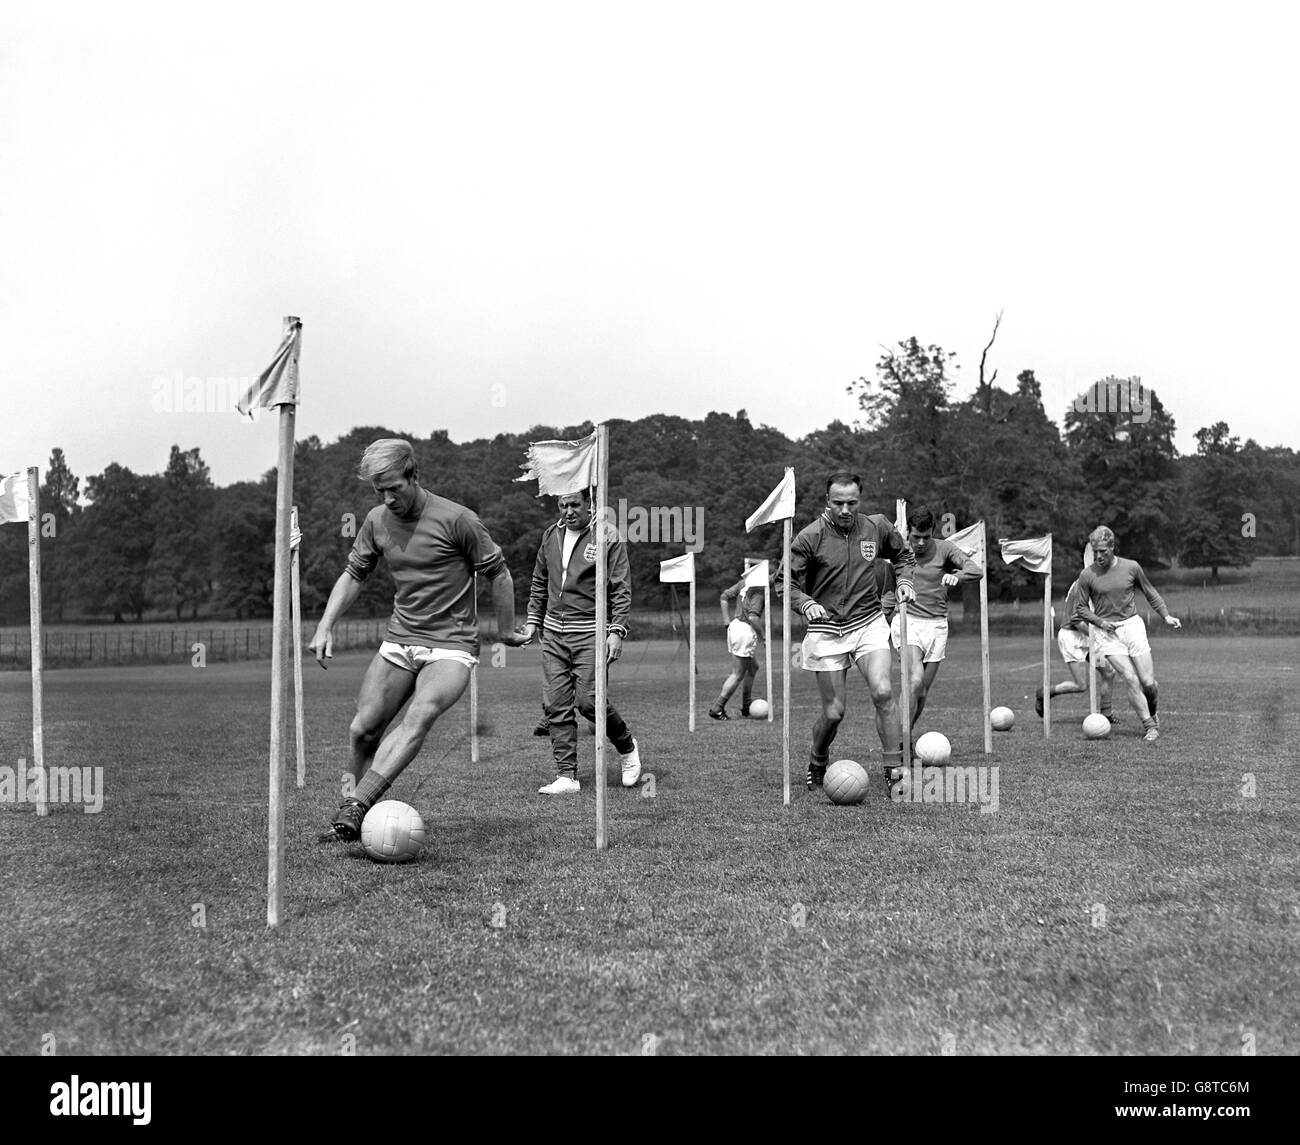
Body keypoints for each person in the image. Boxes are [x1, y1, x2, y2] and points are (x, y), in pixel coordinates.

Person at [309, 438, 525, 842]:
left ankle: (357, 806)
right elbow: (354, 574)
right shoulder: (375, 521)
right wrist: (325, 626)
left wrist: (507, 630)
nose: (388, 498)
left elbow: (500, 573)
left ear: (414, 476)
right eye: (380, 491)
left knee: (420, 715)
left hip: (452, 644)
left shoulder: (459, 519)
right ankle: (351, 813)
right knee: (363, 730)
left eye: (395, 488)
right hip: (400, 640)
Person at [782, 471, 917, 790]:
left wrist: (905, 580)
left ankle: (894, 771)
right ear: (827, 501)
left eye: (851, 503)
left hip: (868, 622)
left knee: (883, 691)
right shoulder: (809, 536)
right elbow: (784, 583)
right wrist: (804, 602)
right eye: (838, 503)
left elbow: (902, 556)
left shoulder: (876, 526)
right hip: (826, 630)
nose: (845, 509)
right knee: (834, 712)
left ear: (860, 500)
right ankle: (818, 758)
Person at [521, 488, 642, 793]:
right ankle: (567, 776)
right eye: (562, 505)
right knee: (555, 706)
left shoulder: (608, 536)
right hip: (553, 633)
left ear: (590, 503)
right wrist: (532, 620)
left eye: (575, 504)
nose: (568, 511)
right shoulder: (550, 535)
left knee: (589, 702)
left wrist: (616, 631)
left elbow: (620, 588)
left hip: (590, 632)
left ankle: (627, 747)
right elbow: (539, 581)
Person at [1074, 526, 1182, 743]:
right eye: (1095, 551)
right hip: (1107, 633)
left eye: (1103, 551)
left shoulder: (1131, 567)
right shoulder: (1087, 575)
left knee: (1148, 683)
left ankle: (1152, 709)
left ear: (1113, 547)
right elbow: (1081, 608)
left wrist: (1166, 615)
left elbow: (1150, 592)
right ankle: (1150, 726)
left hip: (1132, 627)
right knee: (1130, 679)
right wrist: (1100, 622)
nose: (1098, 556)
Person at [890, 507, 983, 735]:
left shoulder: (945, 548)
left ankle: (906, 733)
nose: (920, 543)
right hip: (907, 620)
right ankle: (899, 740)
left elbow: (975, 569)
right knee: (914, 680)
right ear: (908, 532)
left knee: (921, 691)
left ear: (932, 531)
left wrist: (957, 576)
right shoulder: (899, 550)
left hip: (937, 625)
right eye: (915, 537)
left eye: (926, 537)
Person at [1036, 576, 1118, 722]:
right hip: (1071, 638)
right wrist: (1095, 636)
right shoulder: (1082, 585)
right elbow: (1076, 620)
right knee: (1081, 685)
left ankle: (1106, 714)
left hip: (1086, 638)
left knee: (1108, 671)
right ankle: (1044, 693)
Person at [707, 572, 766, 720]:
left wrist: (727, 622)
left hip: (735, 627)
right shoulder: (758, 590)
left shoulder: (744, 583)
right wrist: (763, 637)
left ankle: (746, 707)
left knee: (753, 667)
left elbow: (724, 597)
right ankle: (717, 708)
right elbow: (753, 617)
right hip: (745, 631)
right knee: (738, 674)